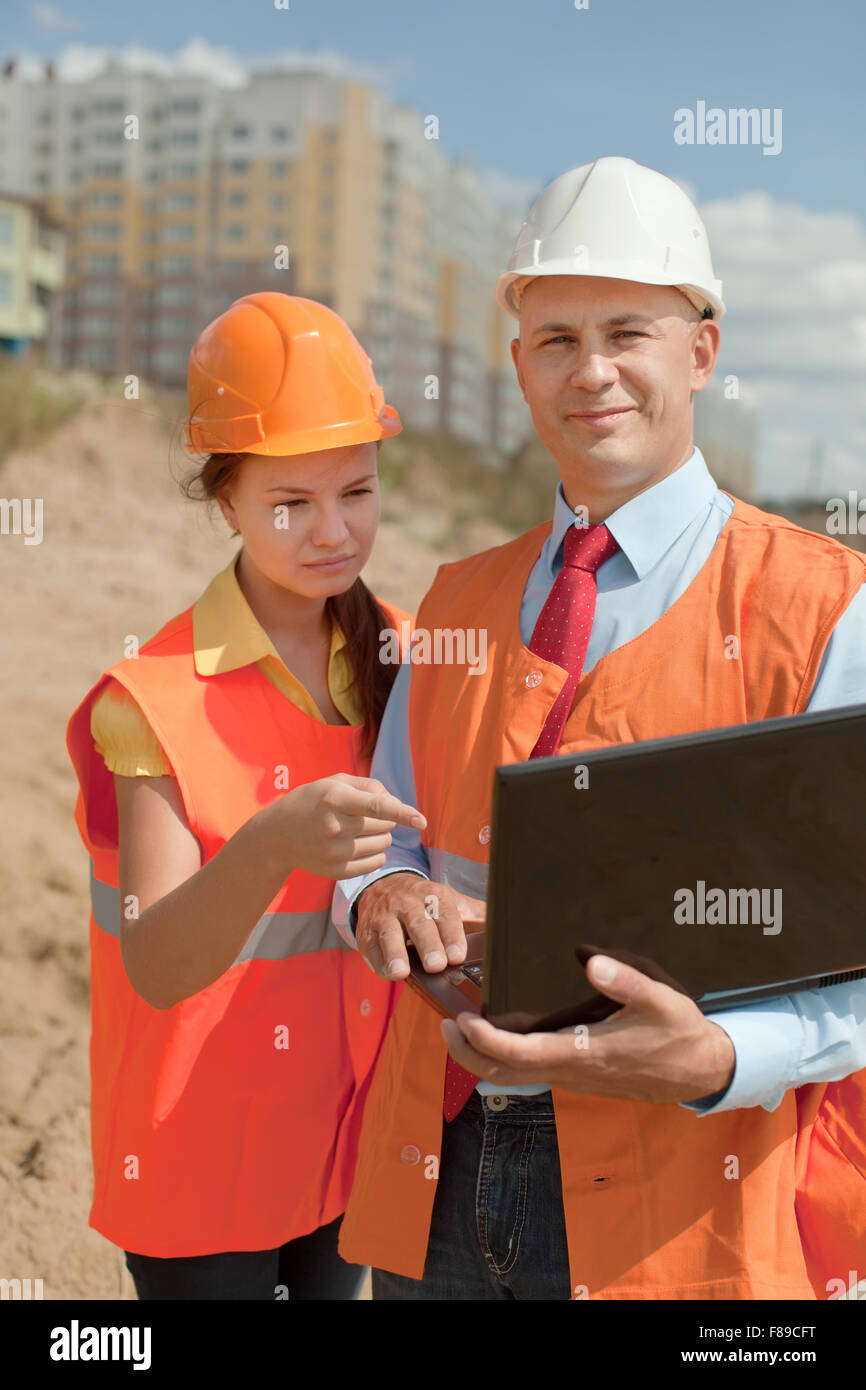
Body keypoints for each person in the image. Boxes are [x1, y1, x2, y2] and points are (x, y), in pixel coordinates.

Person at [330, 157, 866, 1300]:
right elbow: (387, 839)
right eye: (556, 338)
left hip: (682, 1198)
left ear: (701, 352)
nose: (592, 371)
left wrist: (723, 1054)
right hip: (442, 1166)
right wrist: (379, 893)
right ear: (518, 361)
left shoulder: (826, 610)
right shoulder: (460, 597)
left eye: (626, 330)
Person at [66, 292, 425, 1300]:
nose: (333, 531)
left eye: (356, 491)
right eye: (289, 503)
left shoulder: (400, 651)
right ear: (224, 500)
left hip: (343, 1138)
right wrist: (271, 842)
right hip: (200, 1159)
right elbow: (160, 960)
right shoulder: (154, 697)